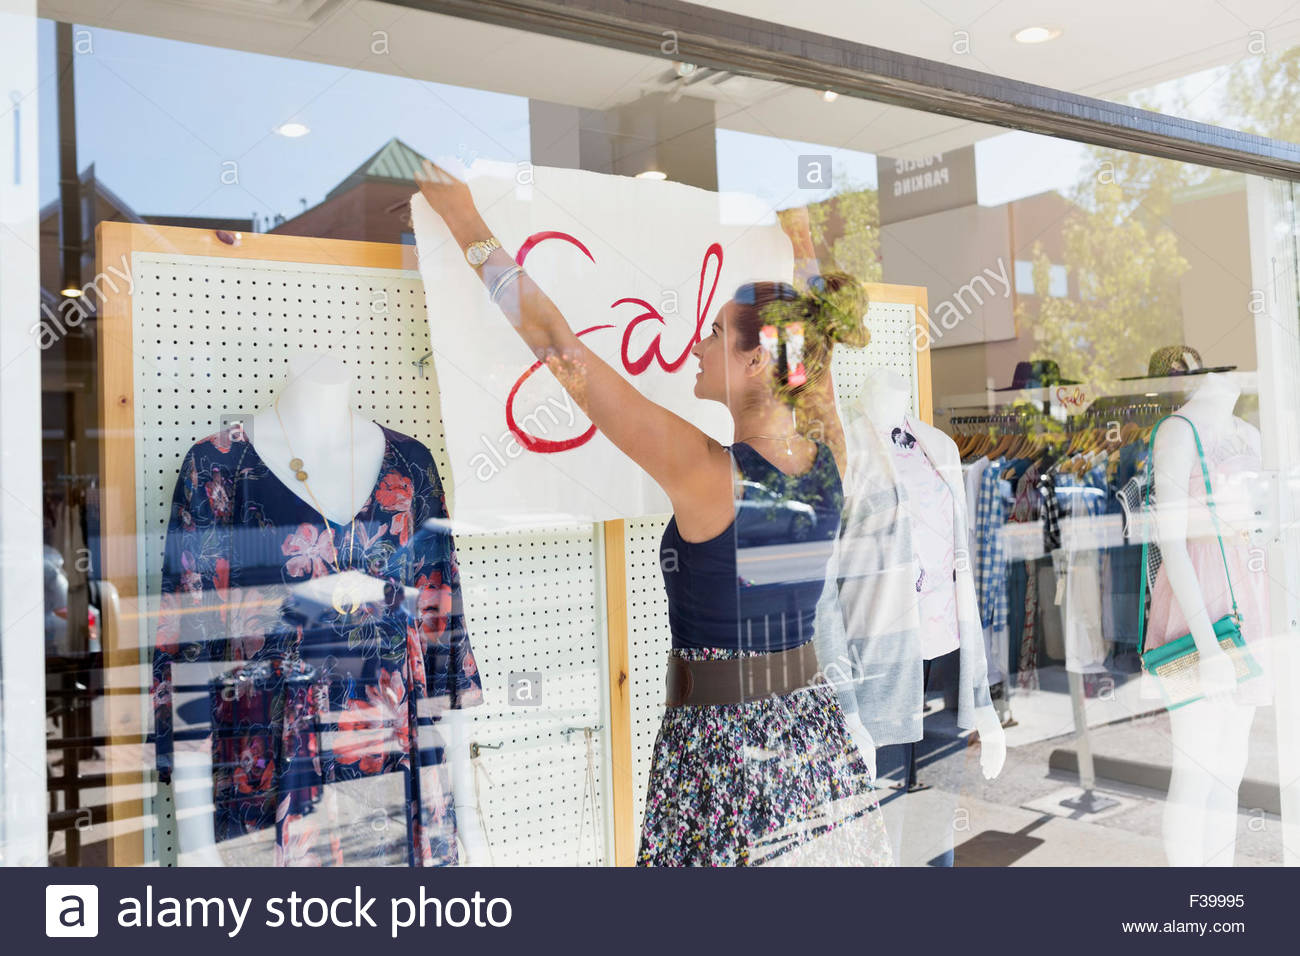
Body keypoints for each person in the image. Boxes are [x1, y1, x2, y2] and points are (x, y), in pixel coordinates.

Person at [415, 160, 891, 866]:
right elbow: (815, 369)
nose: (696, 341)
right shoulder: (831, 459)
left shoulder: (708, 474)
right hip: (810, 735)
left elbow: (559, 348)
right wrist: (806, 262)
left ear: (759, 360)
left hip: (724, 746)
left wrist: (466, 225)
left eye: (716, 331)